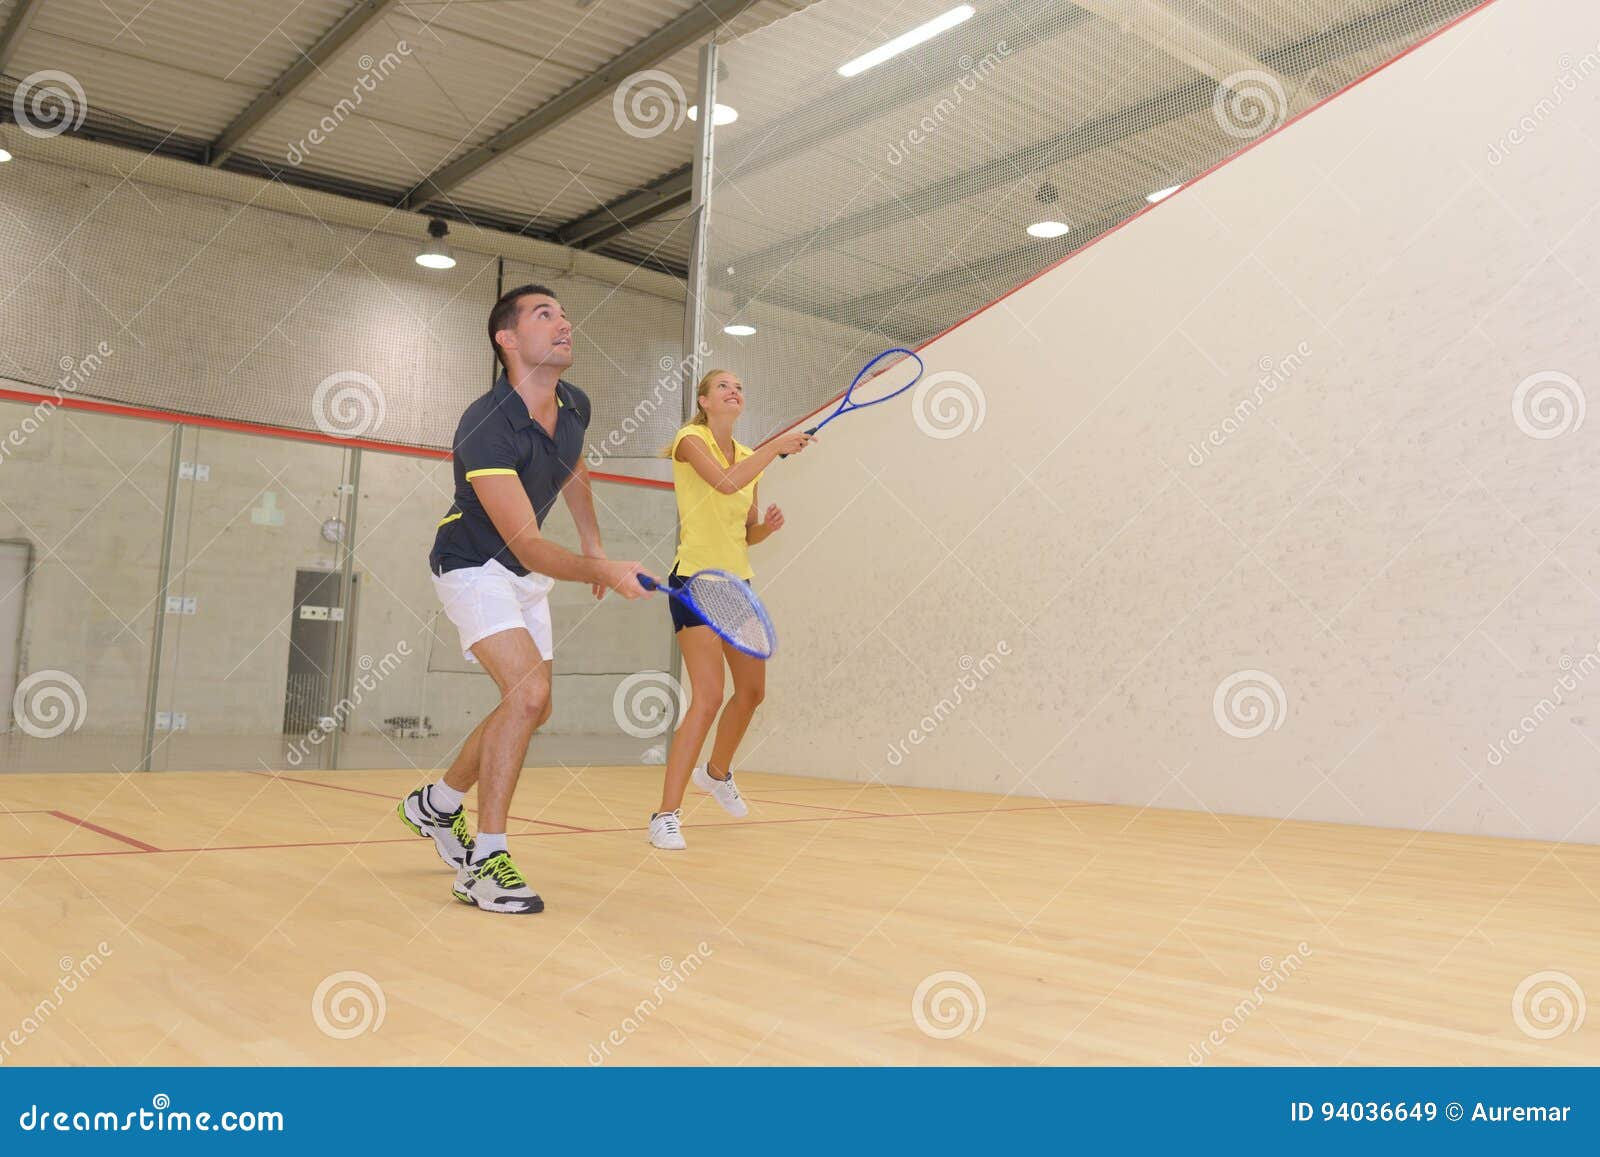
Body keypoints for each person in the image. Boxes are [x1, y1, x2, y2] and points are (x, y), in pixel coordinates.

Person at [397, 284, 653, 914]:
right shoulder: (484, 425)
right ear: (506, 339)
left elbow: (573, 468)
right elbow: (529, 544)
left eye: (565, 313)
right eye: (545, 315)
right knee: (528, 694)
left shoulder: (574, 404)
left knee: (532, 706)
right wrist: (601, 567)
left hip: (522, 572)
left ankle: (438, 805)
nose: (565, 323)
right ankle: (485, 860)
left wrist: (594, 545)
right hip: (472, 564)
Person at [648, 369, 812, 850]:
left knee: (753, 692)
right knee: (707, 697)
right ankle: (664, 815)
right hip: (696, 583)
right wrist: (774, 448)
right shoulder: (688, 439)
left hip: (736, 588)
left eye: (740, 385)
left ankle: (716, 773)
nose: (734, 390)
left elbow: (746, 531)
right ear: (704, 399)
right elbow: (722, 484)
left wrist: (768, 529)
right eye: (723, 386)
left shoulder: (748, 458)